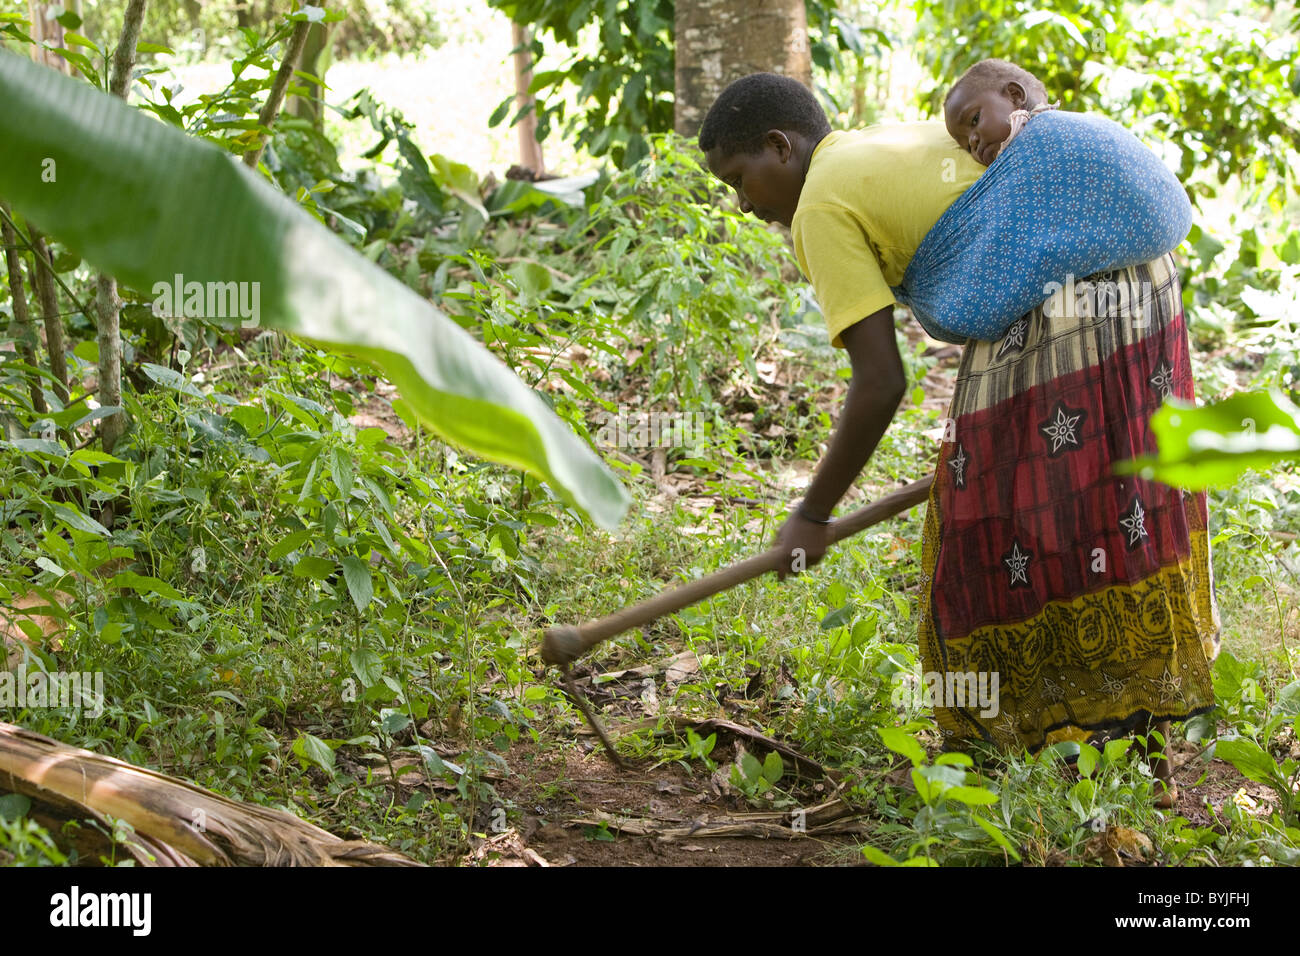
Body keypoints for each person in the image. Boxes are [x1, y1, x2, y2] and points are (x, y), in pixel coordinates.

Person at [699, 71, 1219, 807]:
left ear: (781, 147)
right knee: (1110, 511)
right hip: (1140, 288)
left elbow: (880, 381)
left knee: (993, 540)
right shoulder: (876, 144)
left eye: (738, 180)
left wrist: (812, 513)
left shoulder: (820, 203)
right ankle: (1136, 753)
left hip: (1059, 307)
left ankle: (1009, 754)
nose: (743, 203)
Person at [941, 58, 1057, 166]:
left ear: (1015, 95)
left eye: (974, 120)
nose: (972, 141)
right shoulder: (996, 178)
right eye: (968, 148)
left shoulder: (1060, 129)